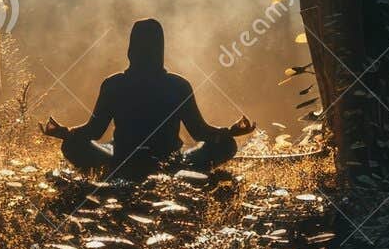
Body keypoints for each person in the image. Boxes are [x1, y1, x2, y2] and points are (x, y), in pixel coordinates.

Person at [41, 19, 254, 177]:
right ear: (160, 49)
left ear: (131, 49)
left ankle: (110, 172)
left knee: (71, 146)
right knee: (226, 146)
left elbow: (93, 132)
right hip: (168, 163)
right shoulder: (178, 85)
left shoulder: (113, 84)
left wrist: (65, 133)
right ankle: (181, 170)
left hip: (122, 162)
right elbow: (200, 132)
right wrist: (230, 132)